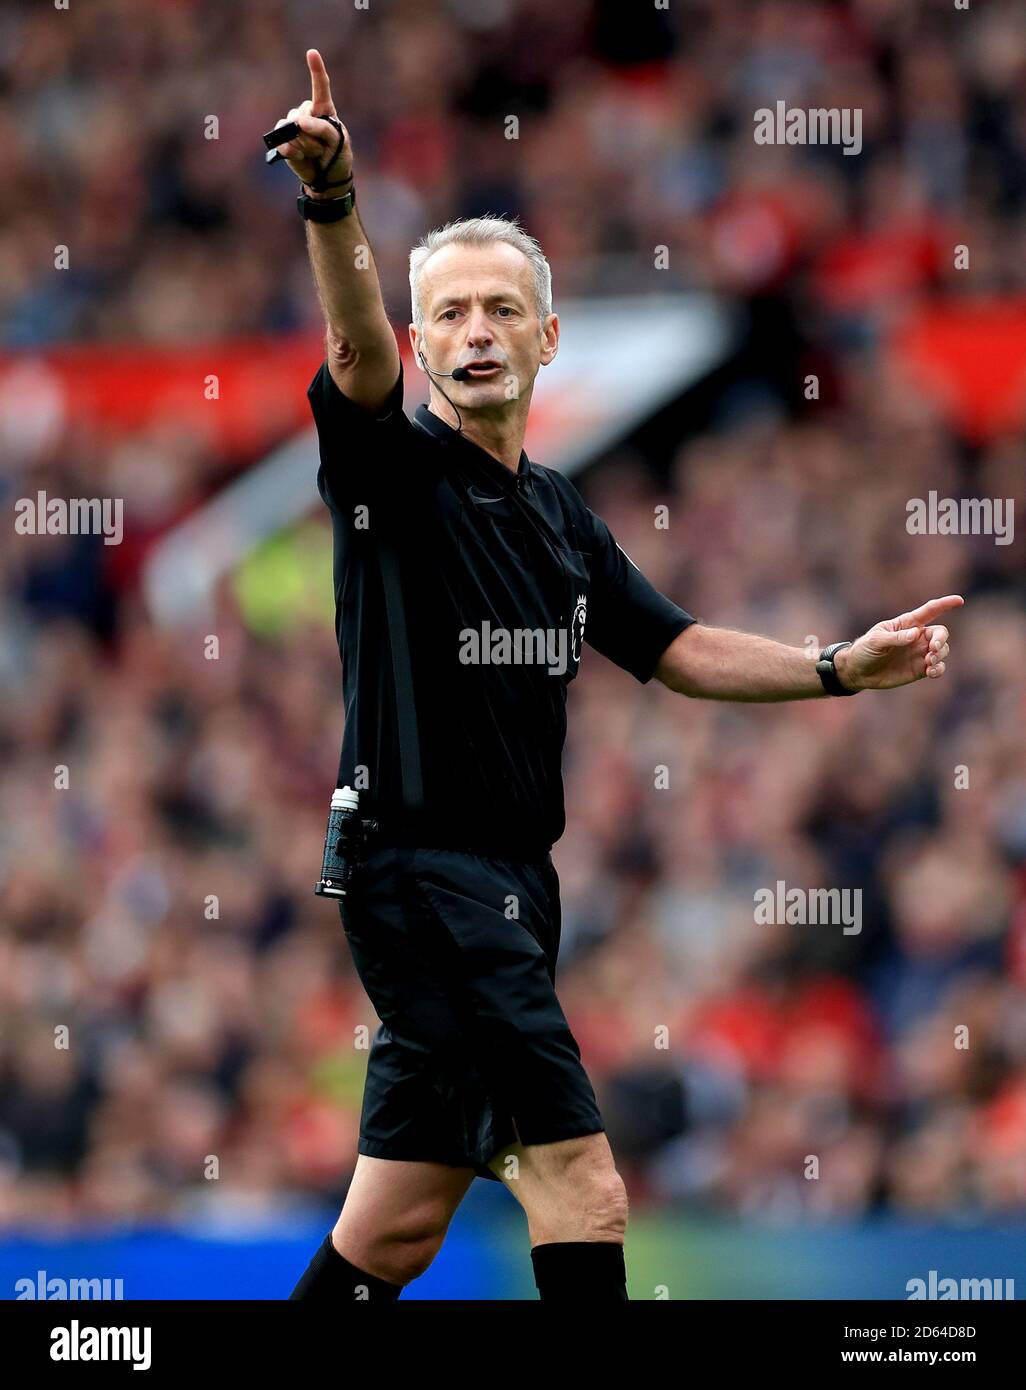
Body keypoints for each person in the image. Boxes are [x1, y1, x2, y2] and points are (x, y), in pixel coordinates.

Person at [278, 50, 961, 1303]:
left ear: (549, 335)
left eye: (497, 309)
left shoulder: (558, 513)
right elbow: (353, 350)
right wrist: (334, 202)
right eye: (448, 313)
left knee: (392, 1233)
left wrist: (837, 668)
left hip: (513, 889)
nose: (472, 331)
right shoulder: (392, 473)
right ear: (421, 342)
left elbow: (679, 648)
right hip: (421, 871)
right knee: (582, 1186)